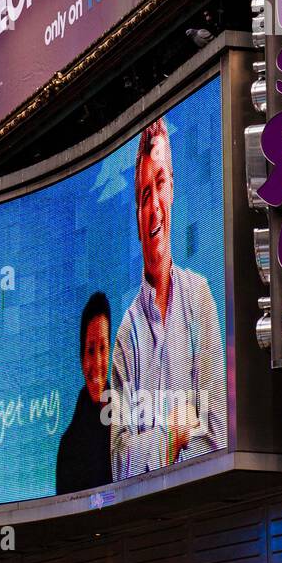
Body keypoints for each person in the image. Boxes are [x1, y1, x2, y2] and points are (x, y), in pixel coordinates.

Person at [109, 117, 226, 480]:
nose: (155, 206)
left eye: (159, 184)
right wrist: (170, 437)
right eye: (145, 195)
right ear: (138, 214)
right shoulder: (126, 334)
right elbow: (116, 462)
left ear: (172, 188)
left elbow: (218, 433)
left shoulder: (199, 295)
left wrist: (147, 448)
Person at [55, 292, 113, 494]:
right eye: (90, 350)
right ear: (81, 358)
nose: (97, 363)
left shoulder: (131, 416)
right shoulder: (69, 445)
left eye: (103, 348)